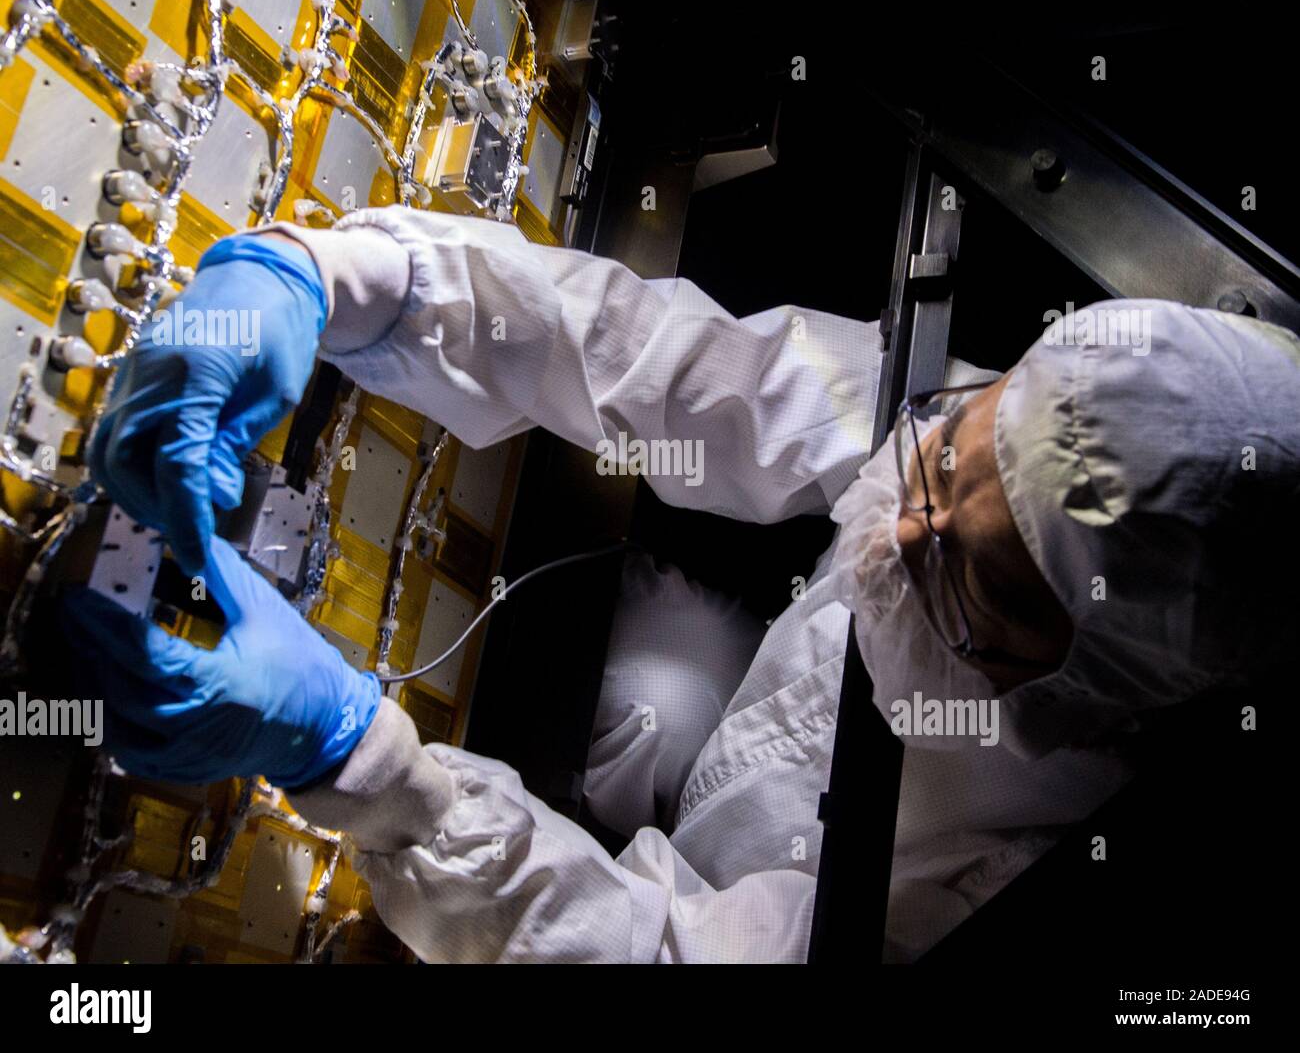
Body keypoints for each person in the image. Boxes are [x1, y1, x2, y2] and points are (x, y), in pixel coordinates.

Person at [63, 208, 1299, 962]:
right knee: (654, 673)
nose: (900, 524)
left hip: (733, 891)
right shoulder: (1012, 429)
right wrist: (335, 281)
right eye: (942, 452)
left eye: (967, 575)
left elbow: (665, 959)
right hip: (731, 728)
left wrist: (367, 766)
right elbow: (677, 367)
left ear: (1085, 681)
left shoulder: (1013, 880)